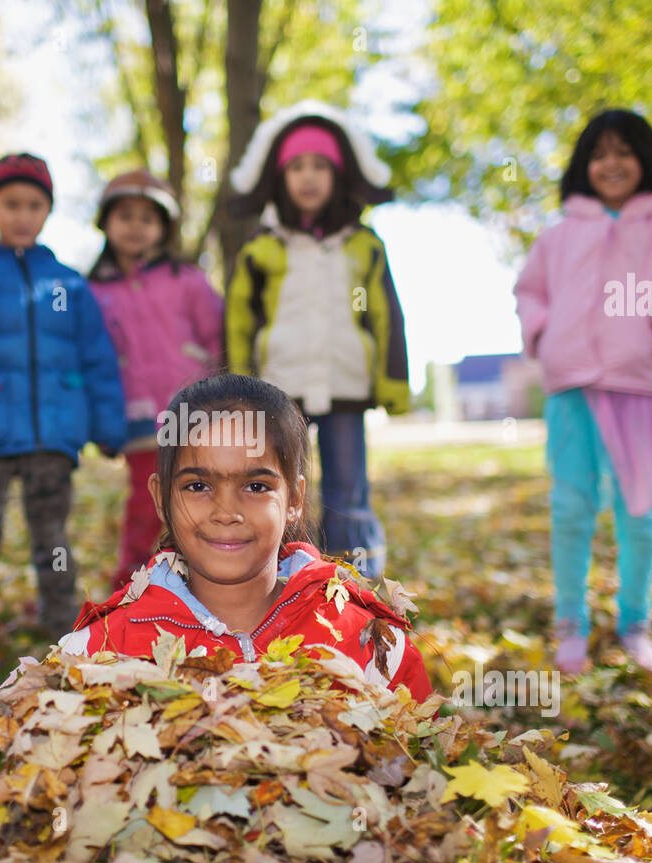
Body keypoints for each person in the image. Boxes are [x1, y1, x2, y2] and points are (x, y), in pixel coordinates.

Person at [49, 373, 433, 702]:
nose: (226, 512)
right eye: (198, 485)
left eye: (255, 485)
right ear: (160, 498)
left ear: (294, 499)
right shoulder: (96, 653)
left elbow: (420, 773)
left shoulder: (373, 647)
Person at [514, 109, 652, 677]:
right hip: (572, 388)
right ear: (584, 166)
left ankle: (635, 624)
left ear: (646, 159)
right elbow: (529, 293)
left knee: (642, 512)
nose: (611, 164)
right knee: (571, 507)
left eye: (624, 152)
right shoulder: (559, 236)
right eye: (599, 154)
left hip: (642, 389)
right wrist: (544, 333)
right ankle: (570, 623)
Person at [0, 153, 126, 645]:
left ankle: (61, 623)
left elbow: (97, 357)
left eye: (34, 205)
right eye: (11, 203)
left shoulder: (66, 283)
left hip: (53, 436)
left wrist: (107, 426)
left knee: (52, 537)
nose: (22, 215)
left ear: (48, 211)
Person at [224, 100, 411, 581]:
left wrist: (393, 383)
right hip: (280, 390)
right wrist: (239, 389)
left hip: (347, 386)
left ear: (339, 175)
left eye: (320, 167)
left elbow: (386, 315)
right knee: (284, 492)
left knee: (349, 493)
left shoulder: (363, 244)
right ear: (280, 177)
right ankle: (290, 584)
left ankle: (359, 588)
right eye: (297, 167)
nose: (308, 177)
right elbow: (240, 321)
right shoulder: (262, 247)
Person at [88, 169, 223, 592]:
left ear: (164, 228)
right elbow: (90, 359)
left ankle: (202, 583)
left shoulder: (188, 280)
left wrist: (223, 401)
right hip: (136, 418)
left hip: (193, 412)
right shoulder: (91, 290)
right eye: (125, 216)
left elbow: (217, 338)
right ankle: (133, 586)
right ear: (106, 223)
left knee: (198, 499)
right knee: (147, 502)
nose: (135, 226)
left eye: (147, 219)